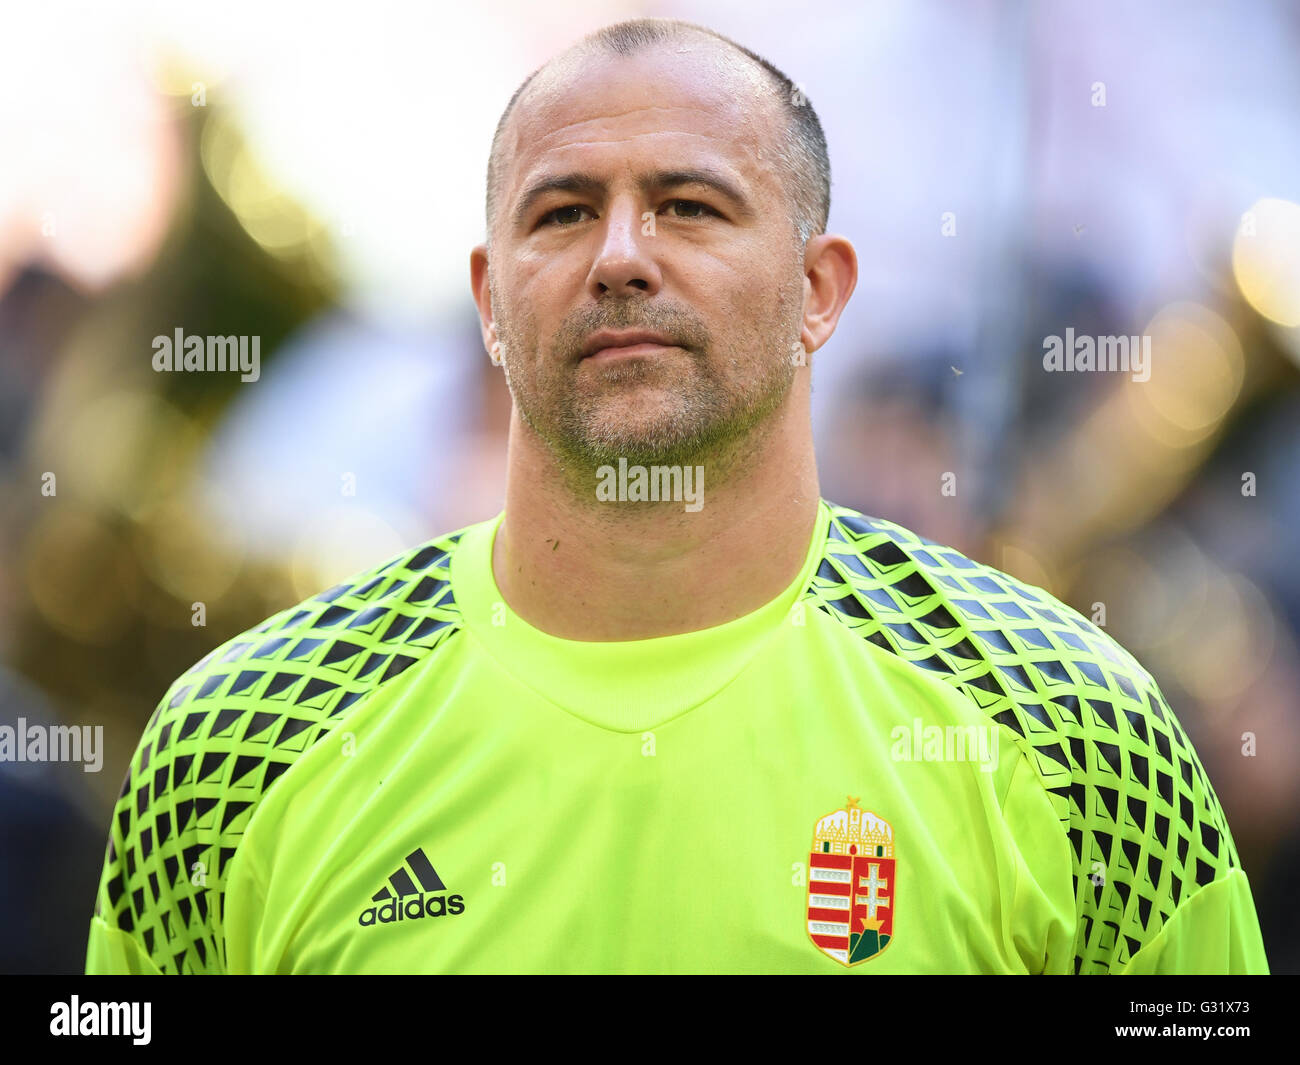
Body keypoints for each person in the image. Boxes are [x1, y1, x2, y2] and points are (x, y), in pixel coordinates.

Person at [85, 17, 1268, 974]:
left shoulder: (1077, 731)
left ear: (820, 288)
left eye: (690, 205)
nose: (620, 256)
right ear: (490, 301)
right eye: (562, 213)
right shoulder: (233, 743)